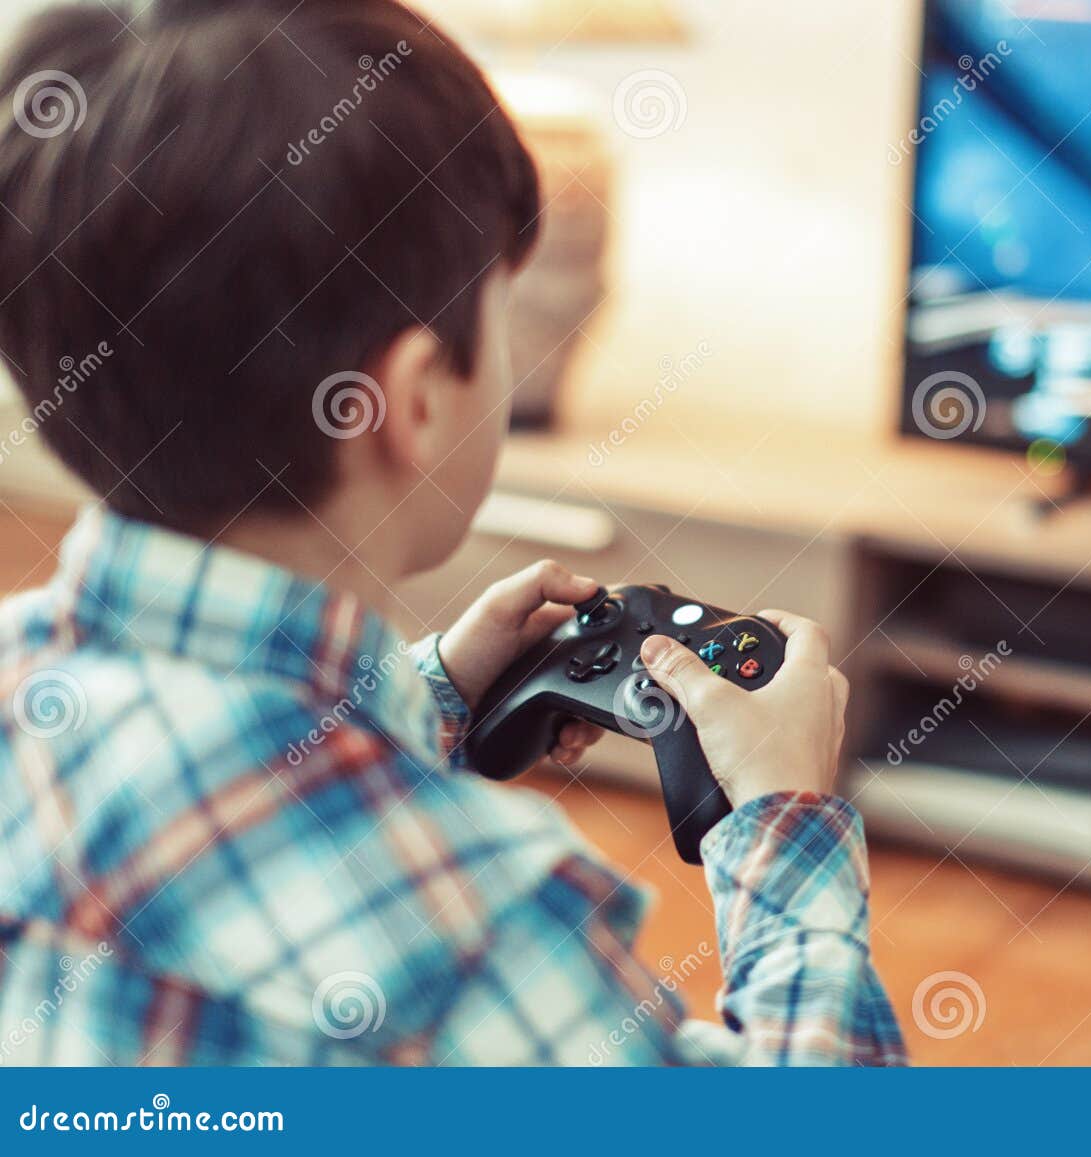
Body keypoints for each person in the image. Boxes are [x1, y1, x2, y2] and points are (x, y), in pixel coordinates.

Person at [0, 0, 904, 1065]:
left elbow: (218, 788)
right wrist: (785, 815)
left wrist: (426, 694)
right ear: (417, 398)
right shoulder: (475, 925)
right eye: (501, 319)